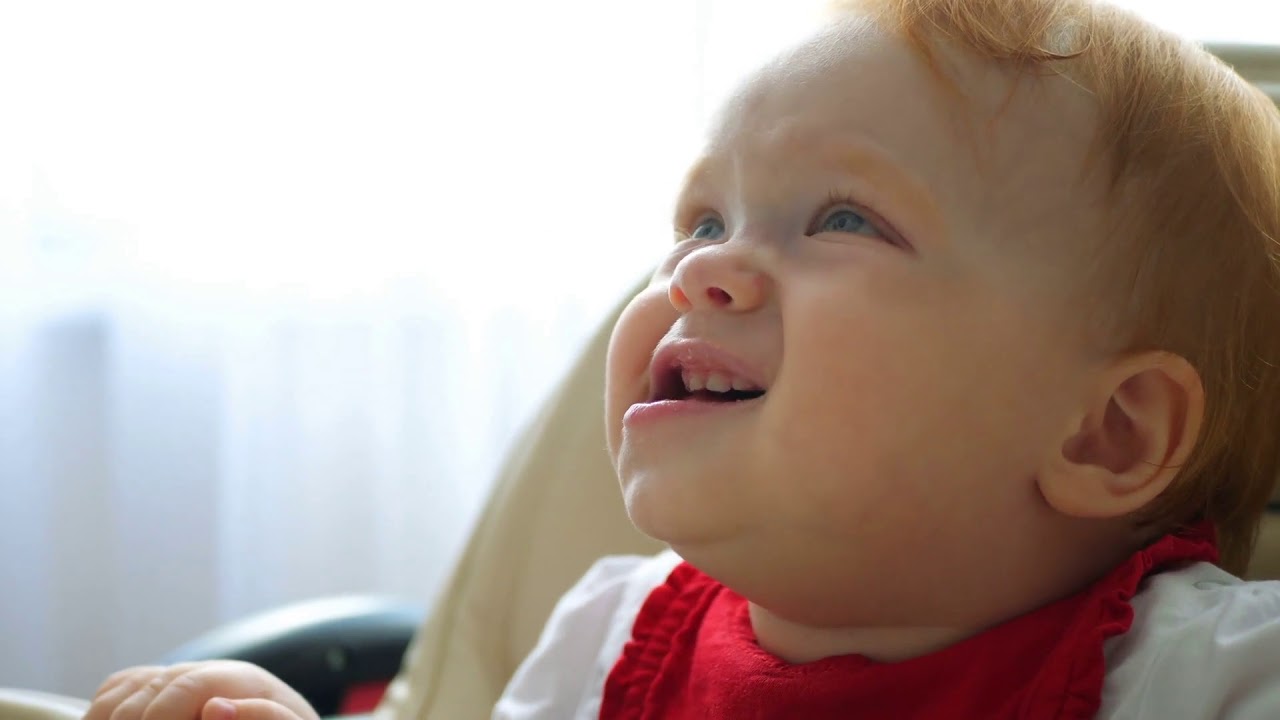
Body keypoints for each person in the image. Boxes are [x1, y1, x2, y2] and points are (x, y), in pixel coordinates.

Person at [85, 0, 1280, 718]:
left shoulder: (1201, 678)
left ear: (1103, 432)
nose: (695, 274)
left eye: (843, 220)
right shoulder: (605, 647)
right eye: (701, 222)